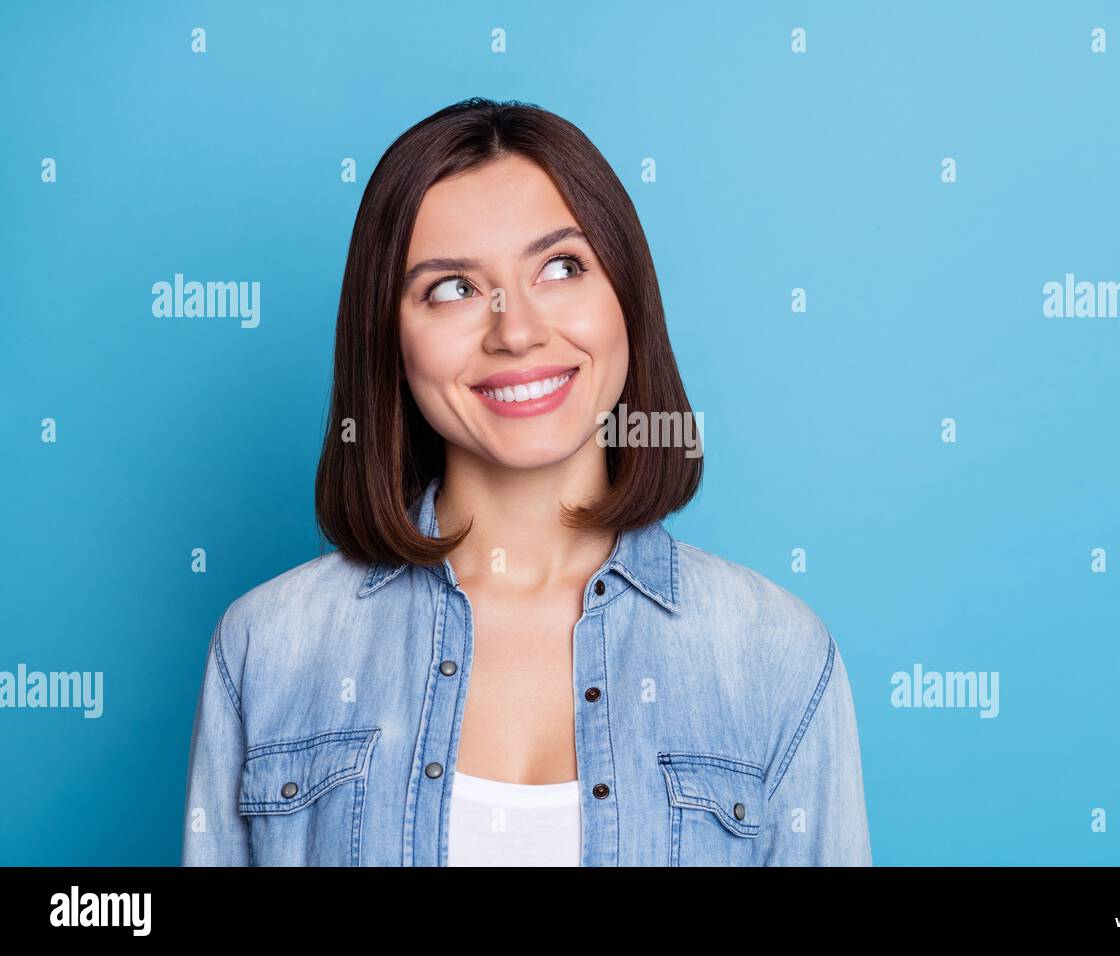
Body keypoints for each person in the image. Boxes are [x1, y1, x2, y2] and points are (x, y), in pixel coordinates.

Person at [181, 97, 871, 866]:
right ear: (390, 340)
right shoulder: (269, 646)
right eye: (452, 288)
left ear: (627, 301)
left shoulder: (773, 654)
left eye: (561, 267)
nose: (516, 330)